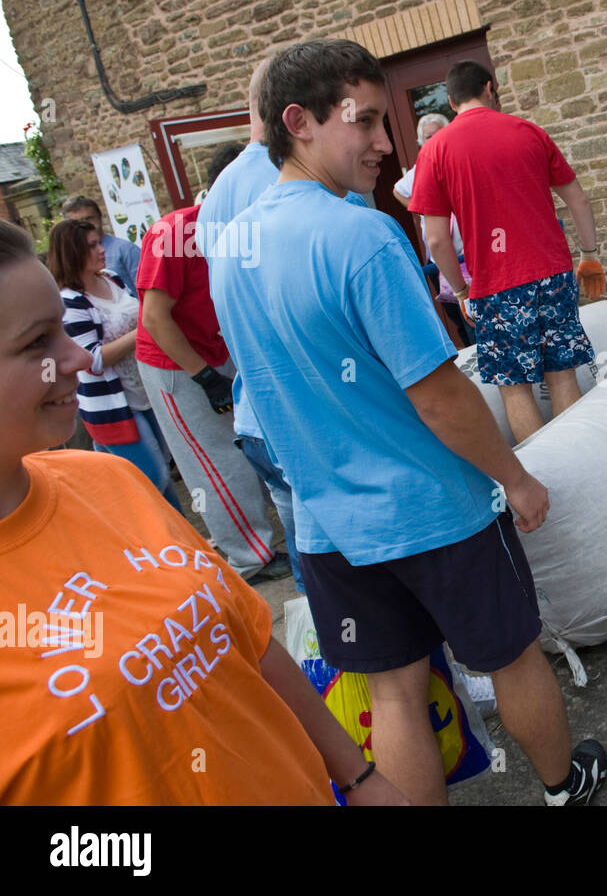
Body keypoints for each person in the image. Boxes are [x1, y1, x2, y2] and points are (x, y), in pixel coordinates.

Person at [208, 38, 607, 806]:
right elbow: (440, 395)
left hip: (328, 526)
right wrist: (515, 478)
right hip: (435, 508)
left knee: (392, 690)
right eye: (364, 122)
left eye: (385, 123)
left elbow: (265, 380)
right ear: (300, 121)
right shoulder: (360, 234)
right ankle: (564, 788)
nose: (387, 145)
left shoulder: (231, 248)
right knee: (512, 657)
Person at [0, 220, 406, 805]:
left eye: (62, 333)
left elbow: (250, 640)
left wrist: (360, 777)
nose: (72, 357)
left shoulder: (108, 480)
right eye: (36, 342)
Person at [408, 60, 606, 443]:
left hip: (495, 286)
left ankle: (546, 474)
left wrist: (460, 291)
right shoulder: (529, 132)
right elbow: (578, 199)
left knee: (515, 387)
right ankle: (578, 464)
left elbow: (435, 240)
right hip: (552, 273)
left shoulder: (435, 151)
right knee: (562, 376)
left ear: (450, 101)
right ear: (489, 87)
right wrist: (588, 255)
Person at [196, 58, 316, 595]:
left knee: (313, 564)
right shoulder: (305, 173)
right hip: (317, 410)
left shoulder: (217, 194)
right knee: (366, 567)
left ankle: (337, 663)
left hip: (259, 411)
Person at [136, 189, 290, 584]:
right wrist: (204, 376)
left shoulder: (251, 229)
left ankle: (255, 538)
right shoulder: (172, 233)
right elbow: (154, 318)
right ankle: (248, 558)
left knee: (251, 443)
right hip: (174, 361)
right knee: (216, 459)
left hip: (220, 344)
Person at [47, 219, 181, 512]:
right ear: (72, 253)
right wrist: (144, 330)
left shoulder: (112, 278)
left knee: (160, 471)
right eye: (92, 246)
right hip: (114, 405)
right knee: (152, 478)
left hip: (145, 389)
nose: (102, 249)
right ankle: (173, 543)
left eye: (100, 242)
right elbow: (91, 360)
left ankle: (177, 542)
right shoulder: (71, 303)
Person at [391, 113, 473, 346]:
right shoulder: (421, 167)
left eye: (437, 134)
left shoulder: (460, 158)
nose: (433, 140)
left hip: (469, 253)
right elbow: (398, 190)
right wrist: (421, 209)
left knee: (479, 311)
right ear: (421, 141)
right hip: (441, 260)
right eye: (428, 137)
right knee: (459, 317)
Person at [61, 195, 142, 300]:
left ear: (100, 217)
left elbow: (148, 293)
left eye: (89, 218)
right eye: (77, 223)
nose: (85, 225)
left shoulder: (125, 249)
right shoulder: (68, 258)